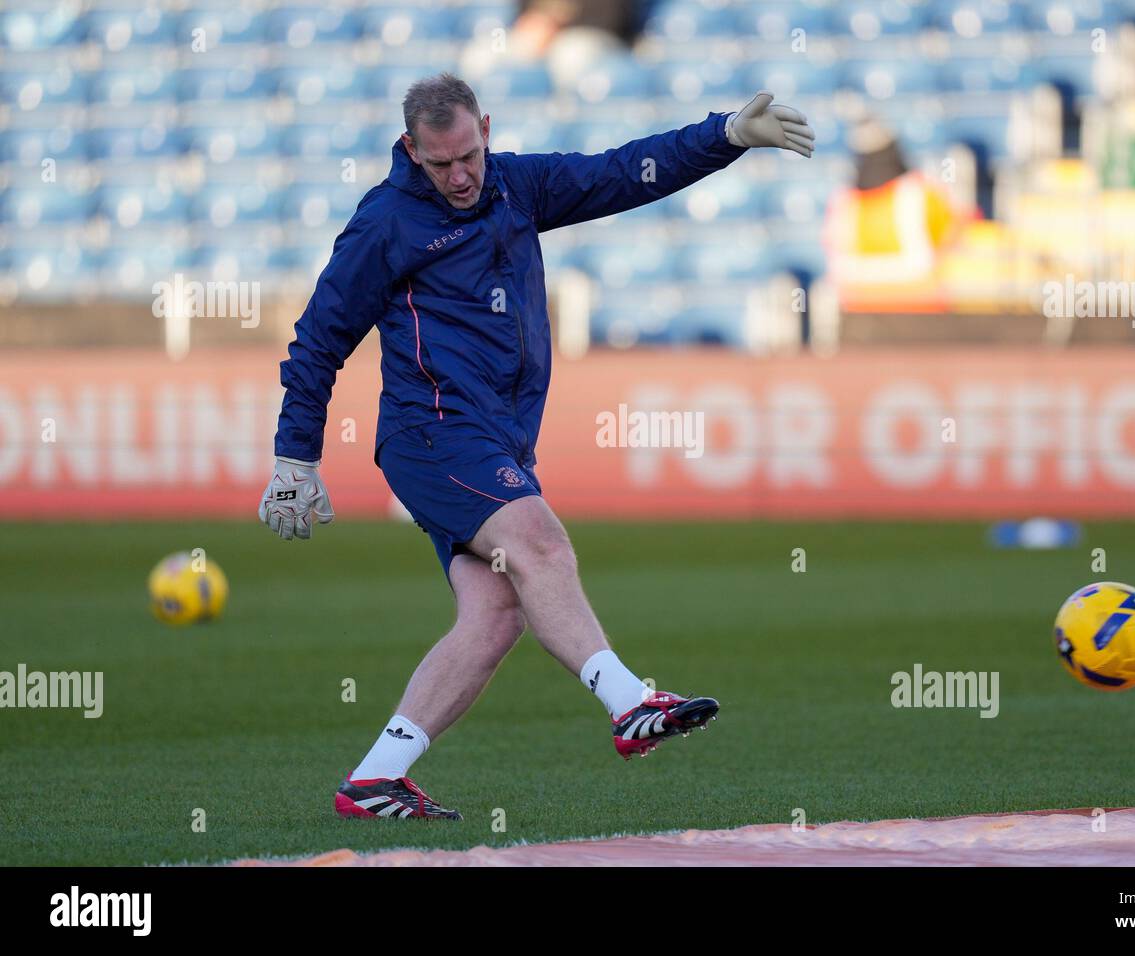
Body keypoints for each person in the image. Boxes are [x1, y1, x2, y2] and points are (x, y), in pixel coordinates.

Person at [258, 73, 814, 820]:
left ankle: (374, 778)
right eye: (440, 164)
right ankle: (630, 705)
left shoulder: (517, 185)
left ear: (485, 128)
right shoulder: (386, 222)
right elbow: (320, 338)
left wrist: (722, 138)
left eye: (468, 157)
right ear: (411, 151)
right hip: (433, 433)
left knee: (495, 614)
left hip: (500, 438)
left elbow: (619, 172)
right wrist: (296, 455)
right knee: (541, 544)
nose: (459, 177)